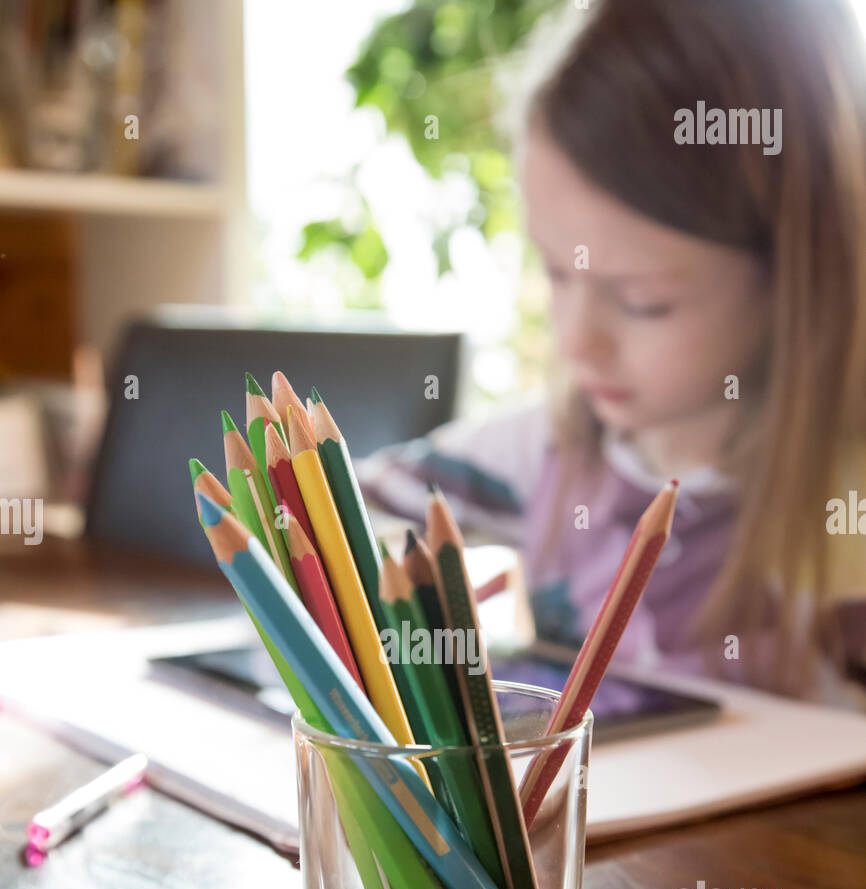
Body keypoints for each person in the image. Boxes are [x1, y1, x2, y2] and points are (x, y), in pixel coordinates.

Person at [357, 0, 866, 708]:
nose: (574, 341)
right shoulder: (545, 447)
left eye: (642, 300)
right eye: (556, 273)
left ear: (797, 280)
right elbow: (334, 521)